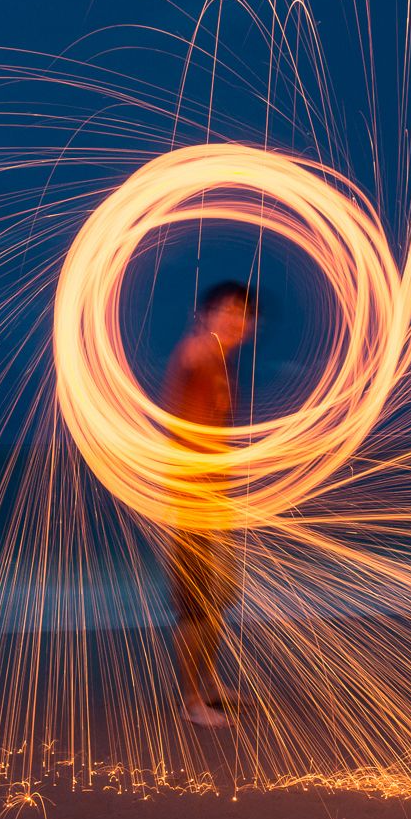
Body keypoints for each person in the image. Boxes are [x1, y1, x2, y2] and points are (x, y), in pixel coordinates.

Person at [161, 279, 255, 728]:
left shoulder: (220, 364)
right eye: (228, 311)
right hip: (194, 505)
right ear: (206, 315)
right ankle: (192, 700)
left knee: (218, 601)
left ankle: (210, 681)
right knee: (197, 607)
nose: (237, 321)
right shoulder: (197, 356)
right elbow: (190, 437)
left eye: (244, 315)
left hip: (217, 502)